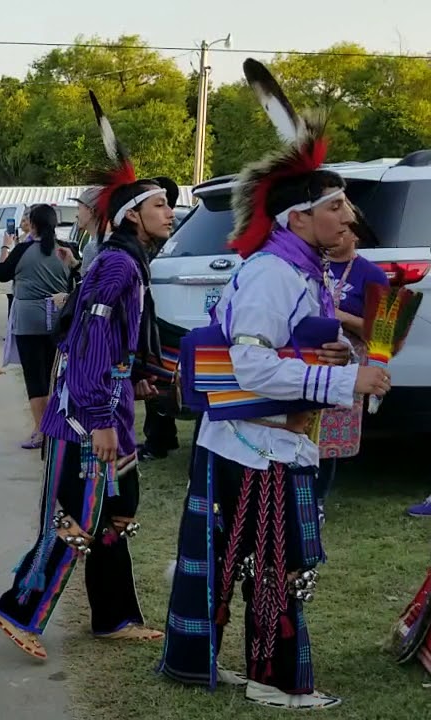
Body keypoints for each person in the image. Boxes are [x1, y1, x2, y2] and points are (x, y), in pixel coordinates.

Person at [160, 59, 392, 710]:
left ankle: (196, 662)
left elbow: (281, 351)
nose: (350, 219)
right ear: (298, 219)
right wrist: (344, 382)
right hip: (253, 445)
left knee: (239, 561)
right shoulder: (273, 275)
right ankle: (274, 680)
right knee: (278, 566)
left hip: (260, 441)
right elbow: (252, 367)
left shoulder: (299, 272)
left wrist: (341, 359)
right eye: (336, 207)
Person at [0, 92, 175, 661]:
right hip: (85, 416)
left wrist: (137, 378)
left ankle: (114, 616)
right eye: (161, 205)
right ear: (131, 217)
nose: (170, 212)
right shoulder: (118, 262)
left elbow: (115, 339)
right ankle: (19, 610)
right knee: (76, 517)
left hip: (111, 405)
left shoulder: (131, 261)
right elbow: (89, 339)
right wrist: (97, 415)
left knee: (119, 512)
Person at [315, 218, 389, 519]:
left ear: (355, 235)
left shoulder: (371, 274)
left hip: (348, 359)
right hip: (311, 356)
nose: (335, 235)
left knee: (328, 439)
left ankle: (317, 501)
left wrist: (339, 315)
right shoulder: (312, 264)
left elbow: (382, 333)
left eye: (343, 230)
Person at [0, 204, 78, 450]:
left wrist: (5, 246)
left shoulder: (21, 250)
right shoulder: (67, 249)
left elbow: (1, 274)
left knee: (35, 377)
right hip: (59, 320)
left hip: (29, 320)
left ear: (32, 224)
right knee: (54, 375)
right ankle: (55, 426)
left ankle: (40, 429)